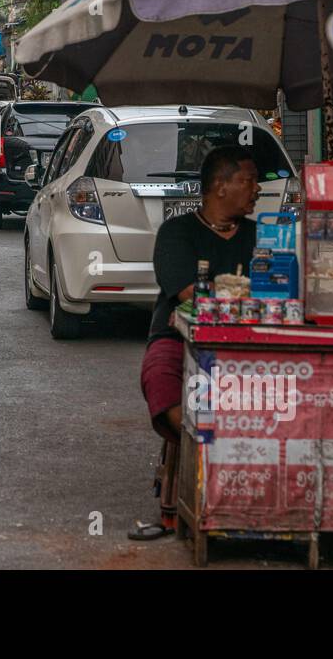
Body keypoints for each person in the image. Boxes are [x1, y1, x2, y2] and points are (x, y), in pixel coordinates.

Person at [131, 145, 260, 541]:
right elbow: (189, 294)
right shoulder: (178, 234)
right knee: (164, 388)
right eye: (248, 181)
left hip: (251, 344)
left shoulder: (261, 235)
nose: (256, 190)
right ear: (220, 186)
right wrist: (241, 295)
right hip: (177, 338)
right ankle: (200, 467)